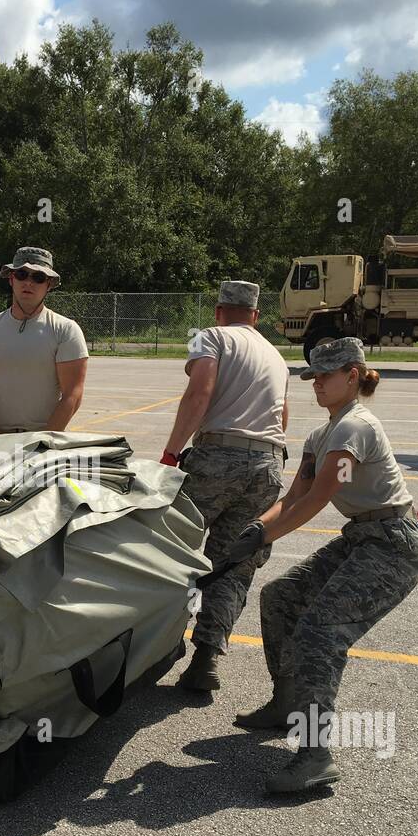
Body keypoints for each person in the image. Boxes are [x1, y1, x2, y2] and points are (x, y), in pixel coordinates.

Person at [231, 338, 418, 793]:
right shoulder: (322, 435)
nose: (316, 383)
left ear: (353, 375)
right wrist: (254, 528)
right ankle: (286, 702)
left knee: (320, 632)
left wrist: (266, 536)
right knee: (279, 597)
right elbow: (294, 496)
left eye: (326, 375)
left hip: (392, 545)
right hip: (363, 538)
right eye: (313, 376)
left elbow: (319, 499)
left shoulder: (356, 427)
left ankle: (315, 755)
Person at [161, 280, 289, 695]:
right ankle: (206, 659)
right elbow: (282, 417)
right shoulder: (274, 354)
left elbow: (200, 392)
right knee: (233, 564)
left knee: (174, 549)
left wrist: (170, 452)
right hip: (268, 464)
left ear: (218, 311)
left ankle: (157, 645)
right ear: (255, 316)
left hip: (218, 457)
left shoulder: (211, 338)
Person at [0, 247, 88, 434]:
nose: (28, 282)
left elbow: (73, 394)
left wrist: (44, 441)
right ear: (11, 279)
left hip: (44, 438)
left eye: (38, 277)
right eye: (22, 274)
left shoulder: (66, 330)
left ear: (49, 284)